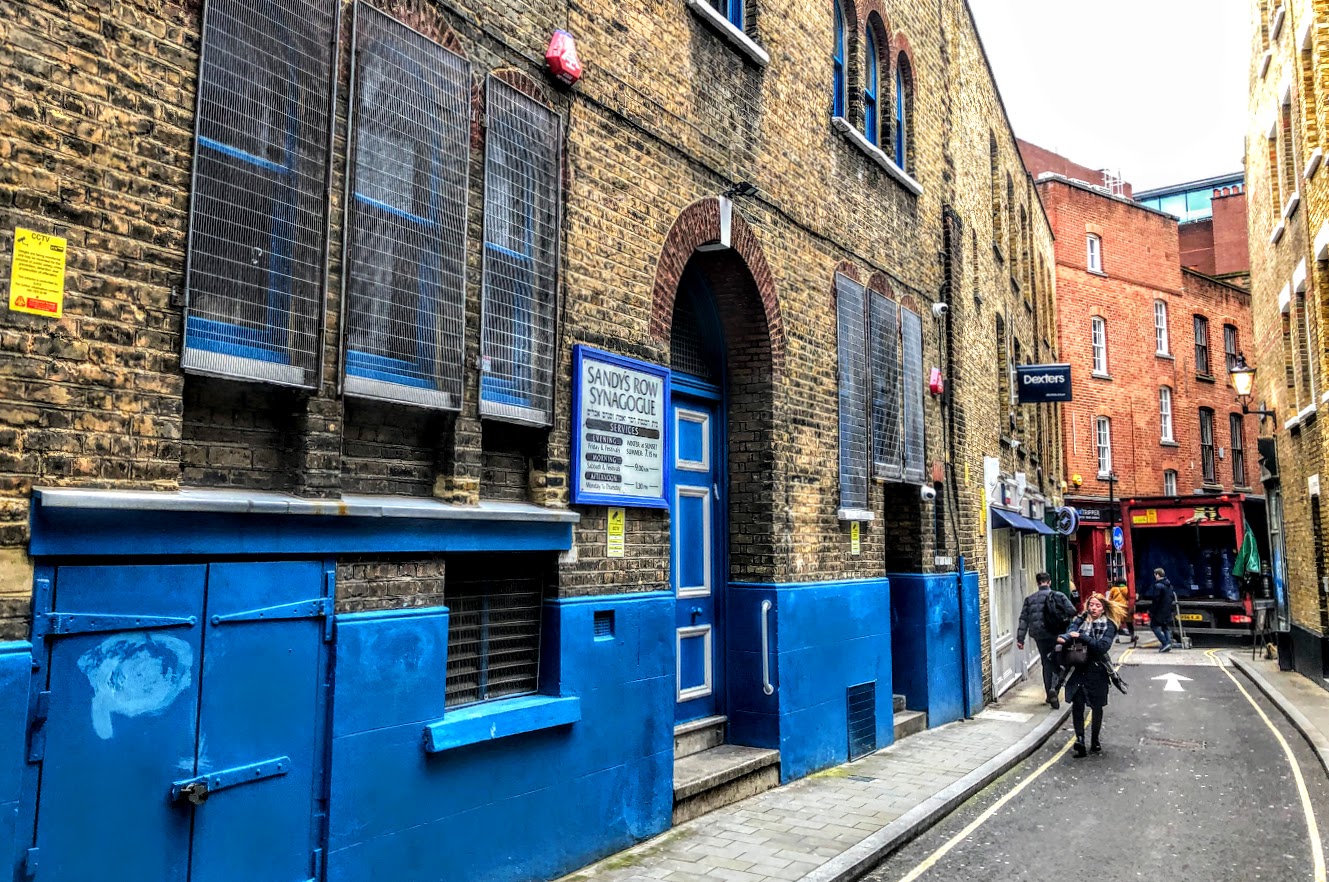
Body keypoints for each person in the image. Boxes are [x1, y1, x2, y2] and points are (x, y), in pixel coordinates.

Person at [1057, 592, 1118, 757]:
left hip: (1097, 670)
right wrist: (1063, 638)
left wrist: (1082, 637)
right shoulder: (1080, 620)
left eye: (1097, 605)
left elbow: (1102, 647)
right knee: (1077, 706)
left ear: (1104, 608)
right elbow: (1070, 633)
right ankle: (1080, 741)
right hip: (1078, 669)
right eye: (1091, 605)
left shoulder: (1109, 625)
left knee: (1097, 707)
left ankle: (1095, 740)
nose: (1093, 608)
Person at [1017, 571, 1077, 709]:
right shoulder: (1059, 596)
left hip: (1040, 636)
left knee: (1046, 662)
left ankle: (1049, 692)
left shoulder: (1030, 599)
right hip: (1057, 635)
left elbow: (1023, 620)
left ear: (1037, 583)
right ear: (1049, 582)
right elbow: (1072, 611)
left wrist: (1020, 639)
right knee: (1059, 660)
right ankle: (1054, 690)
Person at [1149, 567, 1177, 653]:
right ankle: (1168, 643)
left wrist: (1152, 611)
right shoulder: (1169, 585)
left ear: (1157, 575)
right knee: (1165, 627)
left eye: (1155, 575)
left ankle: (1165, 643)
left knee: (1153, 626)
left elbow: (1156, 600)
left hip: (1159, 611)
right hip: (1168, 609)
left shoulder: (1158, 586)